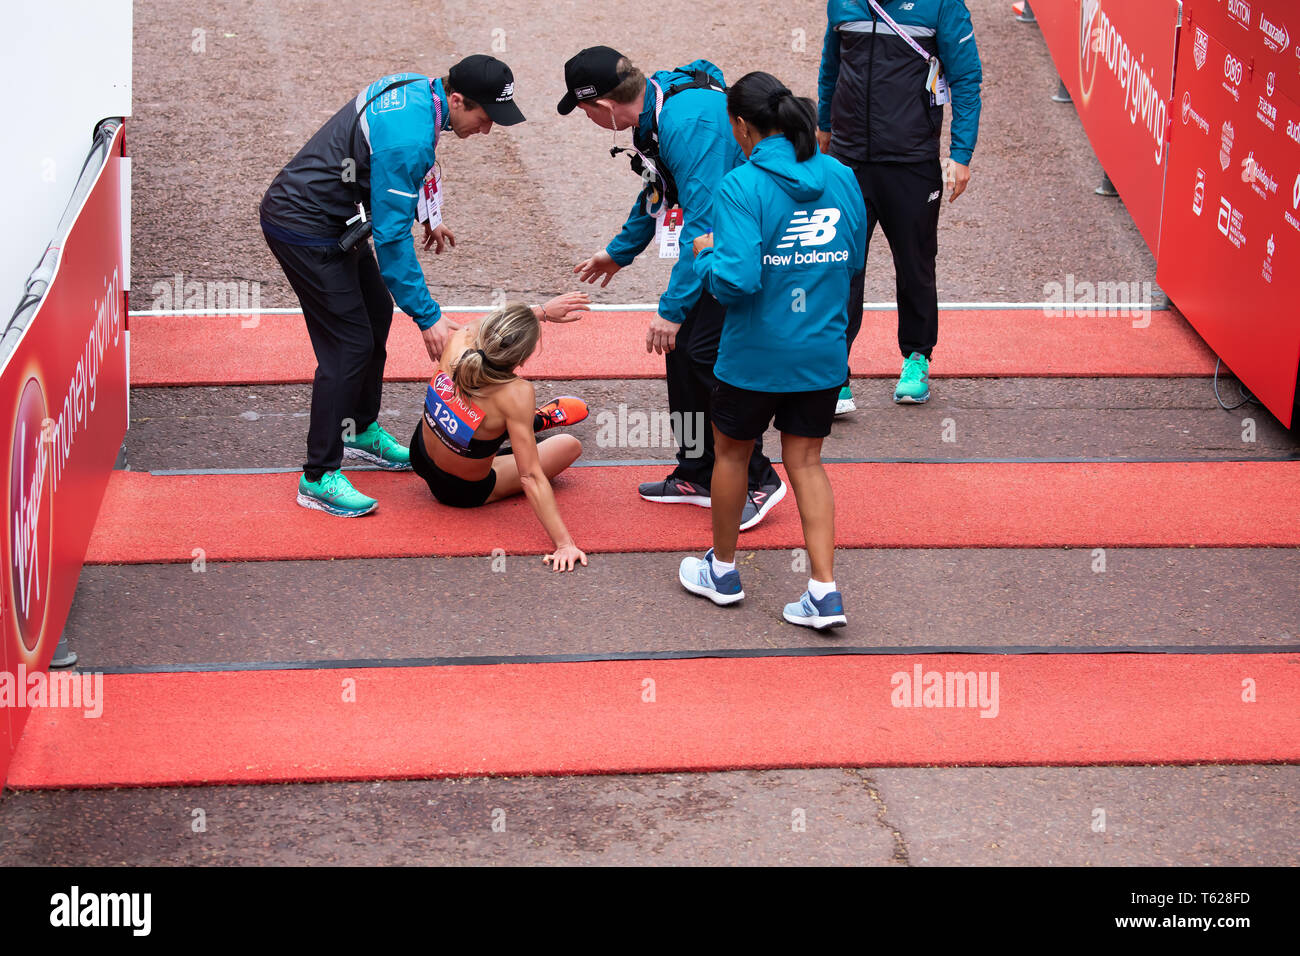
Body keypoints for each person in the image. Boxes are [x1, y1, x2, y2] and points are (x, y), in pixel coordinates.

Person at [260, 55, 526, 517]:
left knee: (377, 315)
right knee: (349, 346)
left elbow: (387, 172)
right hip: (305, 228)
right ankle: (318, 476)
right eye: (485, 118)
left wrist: (428, 214)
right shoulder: (409, 138)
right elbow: (390, 236)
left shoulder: (419, 91)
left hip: (337, 219)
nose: (487, 130)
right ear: (457, 99)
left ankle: (359, 431)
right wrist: (428, 316)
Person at [558, 46, 786, 530]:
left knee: (706, 356)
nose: (587, 120)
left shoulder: (688, 123)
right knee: (686, 354)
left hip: (747, 246)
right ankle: (699, 472)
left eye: (584, 112)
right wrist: (620, 251)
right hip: (728, 239)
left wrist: (672, 309)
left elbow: (702, 222)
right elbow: (659, 189)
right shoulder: (658, 110)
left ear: (603, 108)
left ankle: (759, 477)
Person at [681, 72, 867, 630]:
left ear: (741, 126)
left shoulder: (741, 186)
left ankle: (723, 570)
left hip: (754, 355)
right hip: (821, 351)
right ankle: (824, 591)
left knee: (732, 455)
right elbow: (853, 258)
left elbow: (735, 283)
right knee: (807, 462)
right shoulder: (840, 174)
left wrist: (705, 256)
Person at [817, 0, 983, 410]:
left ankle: (916, 356)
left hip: (912, 162)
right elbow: (830, 67)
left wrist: (961, 154)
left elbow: (966, 79)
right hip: (848, 159)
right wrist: (824, 125)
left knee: (915, 263)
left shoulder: (942, 5)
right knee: (839, 265)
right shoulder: (842, 3)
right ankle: (834, 370)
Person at [410, 294, 593, 573]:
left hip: (419, 454)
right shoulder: (516, 393)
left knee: (482, 420)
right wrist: (564, 544)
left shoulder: (462, 337)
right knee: (569, 445)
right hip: (458, 491)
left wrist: (540, 312)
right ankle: (530, 423)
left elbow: (490, 324)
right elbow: (530, 477)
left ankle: (523, 424)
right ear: (523, 358)